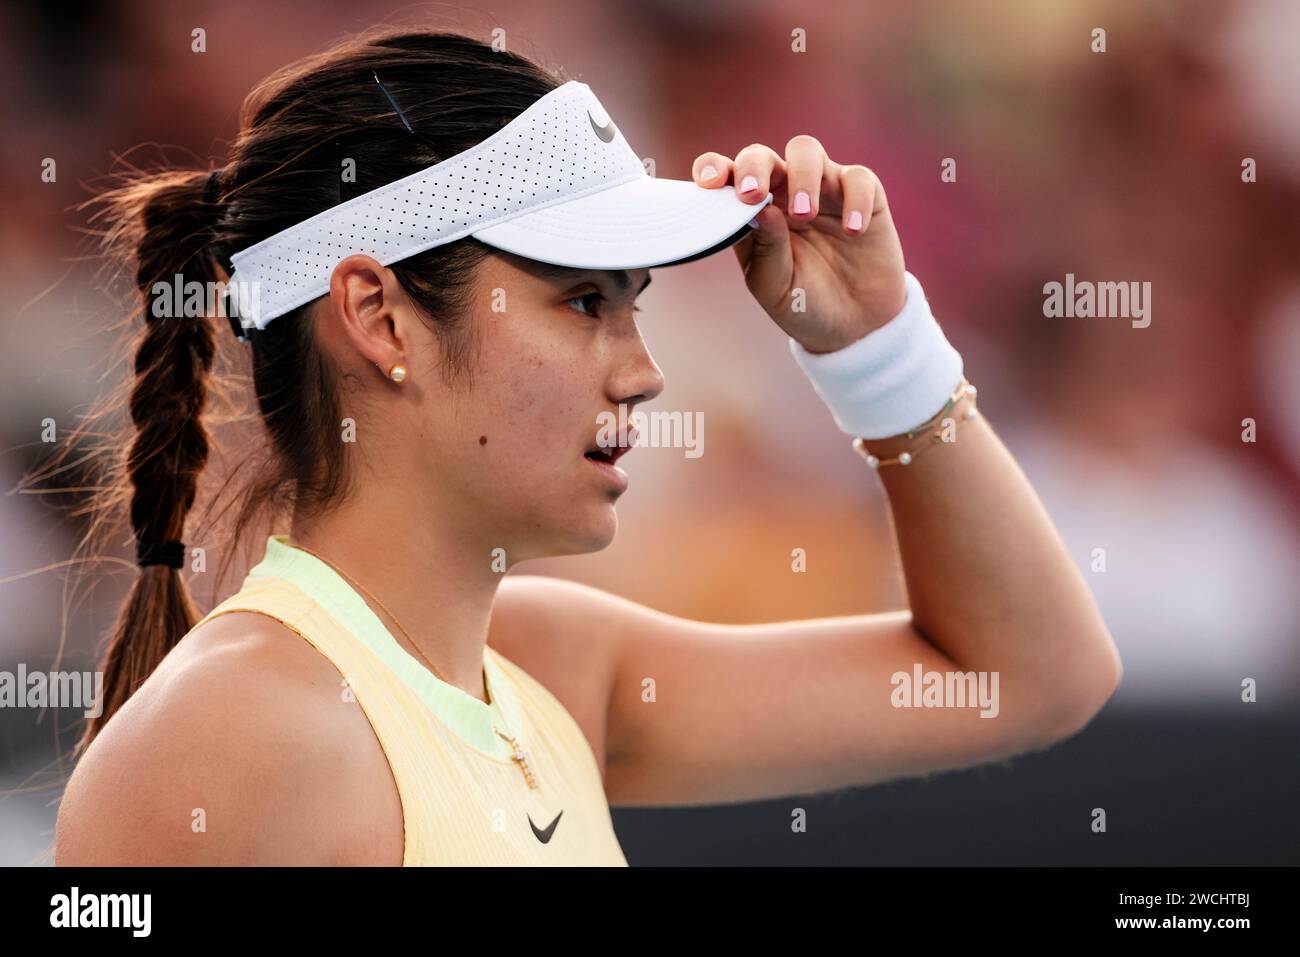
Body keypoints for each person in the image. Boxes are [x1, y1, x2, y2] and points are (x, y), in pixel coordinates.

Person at [51, 26, 1121, 866]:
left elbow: (1022, 674)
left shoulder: (545, 665)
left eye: (632, 303)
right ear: (379, 319)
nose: (642, 370)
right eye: (579, 303)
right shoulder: (237, 735)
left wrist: (880, 349)